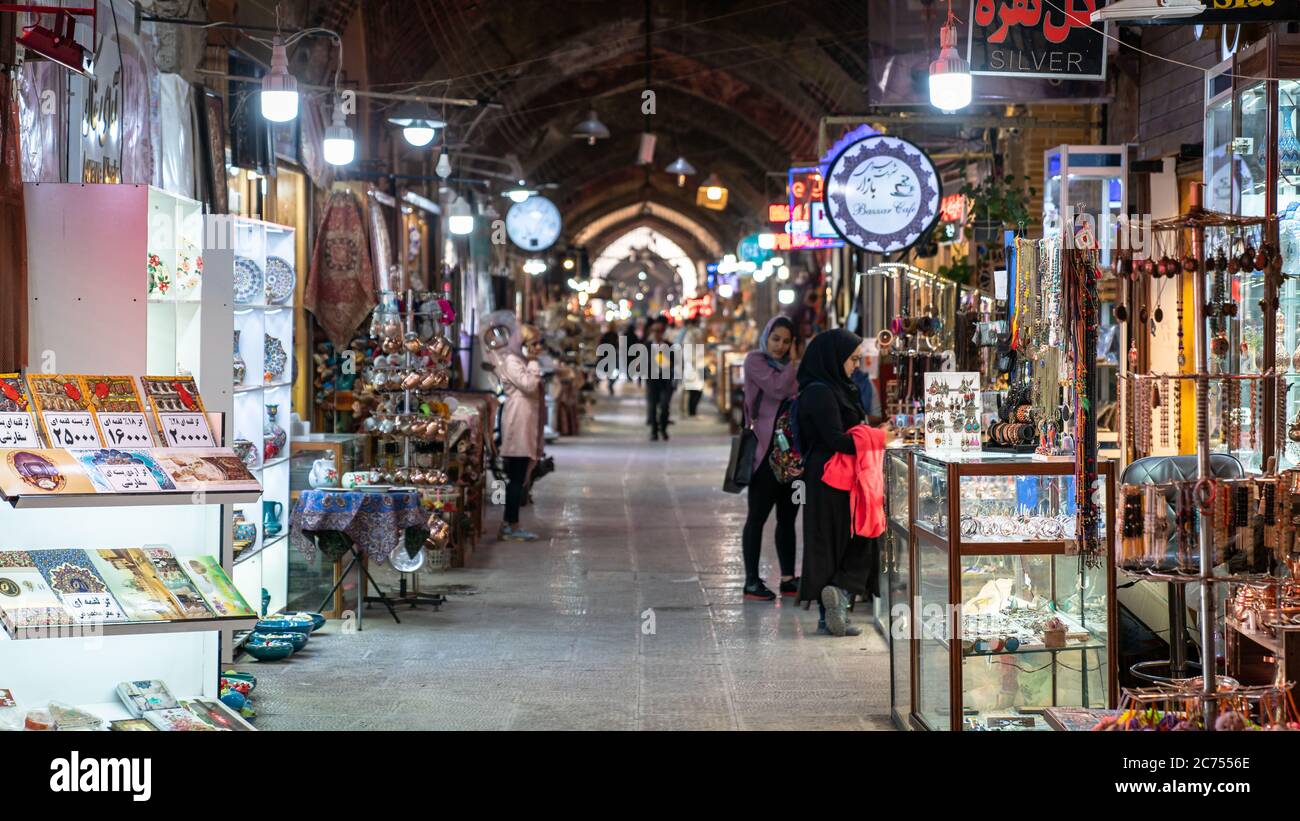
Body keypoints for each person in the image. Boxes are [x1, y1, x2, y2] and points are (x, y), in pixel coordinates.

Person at [796, 329, 883, 636]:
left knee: (852, 538)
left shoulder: (839, 386)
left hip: (845, 476)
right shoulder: (819, 392)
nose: (855, 366)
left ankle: (836, 603)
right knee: (834, 543)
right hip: (828, 477)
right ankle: (835, 602)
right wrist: (878, 437)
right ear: (833, 358)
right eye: (852, 359)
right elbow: (836, 439)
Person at [740, 316, 800, 601]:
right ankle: (751, 580)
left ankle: (788, 578)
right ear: (767, 336)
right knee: (758, 517)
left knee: (788, 518)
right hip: (764, 454)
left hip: (790, 455)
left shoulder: (789, 368)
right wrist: (793, 364)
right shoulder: (755, 361)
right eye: (776, 338)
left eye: (786, 341)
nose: (780, 345)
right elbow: (778, 389)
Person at [495, 323, 545, 541]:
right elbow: (529, 385)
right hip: (518, 424)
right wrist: (534, 362)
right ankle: (511, 525)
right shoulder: (512, 362)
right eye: (533, 343)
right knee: (516, 477)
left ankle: (511, 523)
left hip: (526, 422)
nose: (537, 348)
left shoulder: (519, 360)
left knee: (519, 477)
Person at [644, 317, 674, 440]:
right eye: (654, 331)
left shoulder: (669, 345)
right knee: (652, 406)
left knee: (665, 405)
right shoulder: (647, 346)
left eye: (659, 331)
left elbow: (674, 362)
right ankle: (654, 431)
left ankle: (663, 428)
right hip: (652, 379)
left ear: (662, 332)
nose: (656, 333)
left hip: (666, 379)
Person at [676, 316, 705, 416]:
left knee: (693, 389)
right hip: (693, 365)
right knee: (694, 390)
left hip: (693, 365)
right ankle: (690, 410)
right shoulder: (692, 334)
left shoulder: (688, 334)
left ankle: (690, 410)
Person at [598, 322, 620, 395]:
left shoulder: (615, 335)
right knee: (610, 372)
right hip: (607, 357)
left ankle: (610, 384)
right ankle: (610, 384)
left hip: (613, 356)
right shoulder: (606, 335)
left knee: (616, 372)